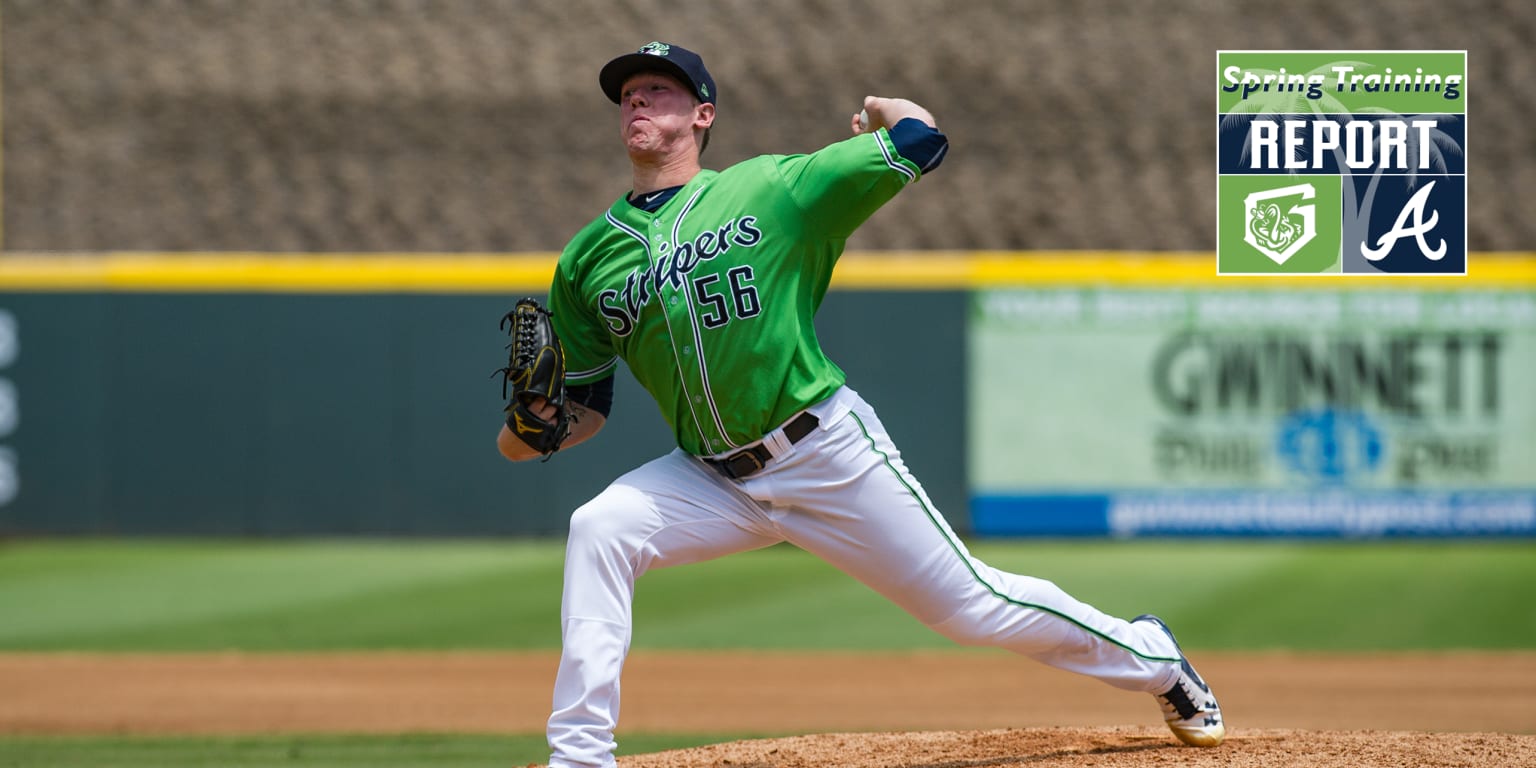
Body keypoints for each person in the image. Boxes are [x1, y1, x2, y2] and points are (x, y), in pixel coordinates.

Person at [497, 41, 1224, 768]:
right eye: (627, 93)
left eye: (657, 89)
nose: (637, 101)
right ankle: (581, 756)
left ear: (702, 114)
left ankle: (1154, 658)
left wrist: (882, 109)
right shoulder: (588, 259)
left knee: (972, 607)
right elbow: (584, 406)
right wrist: (533, 433)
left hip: (822, 452)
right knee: (600, 527)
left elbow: (919, 138)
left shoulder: (772, 189)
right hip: (709, 479)